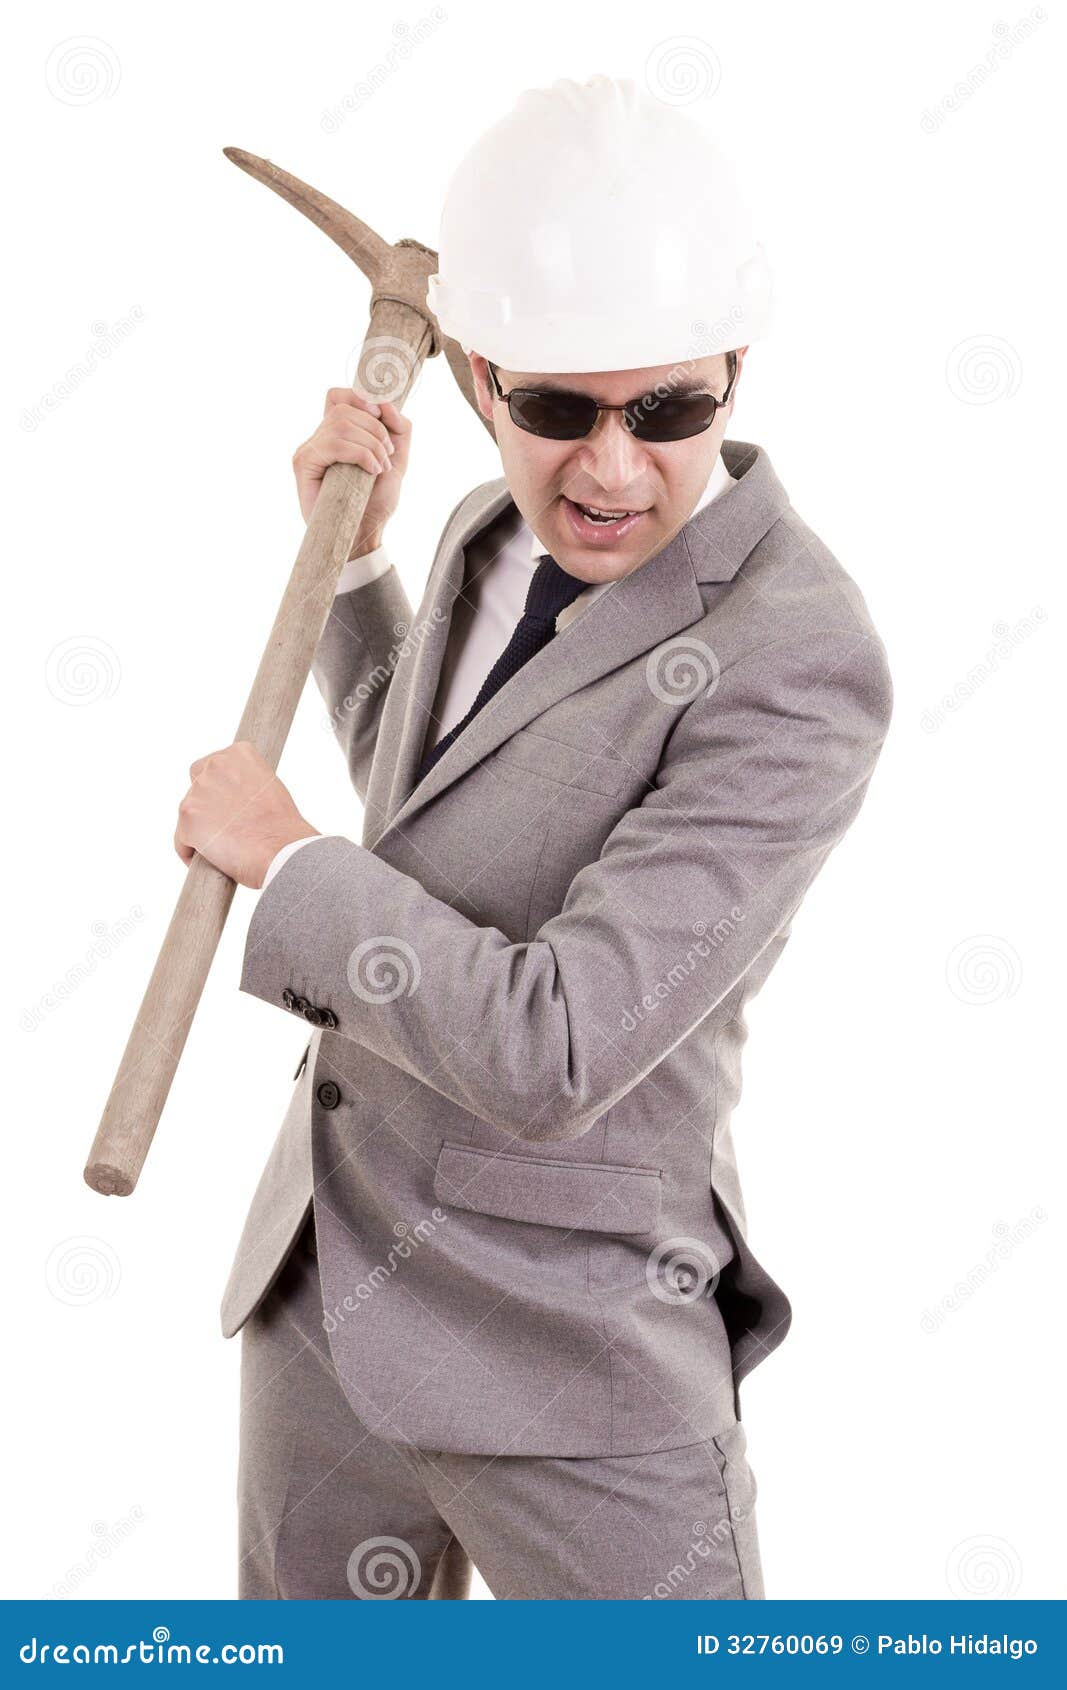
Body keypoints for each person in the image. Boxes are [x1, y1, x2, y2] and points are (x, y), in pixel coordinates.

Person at [175, 75, 893, 1600]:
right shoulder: (487, 532)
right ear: (479, 379)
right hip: (329, 1292)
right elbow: (436, 827)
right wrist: (357, 581)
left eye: (672, 410)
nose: (613, 469)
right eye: (559, 409)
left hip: (576, 1357)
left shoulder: (797, 658)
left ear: (736, 371)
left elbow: (555, 1044)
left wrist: (289, 864)